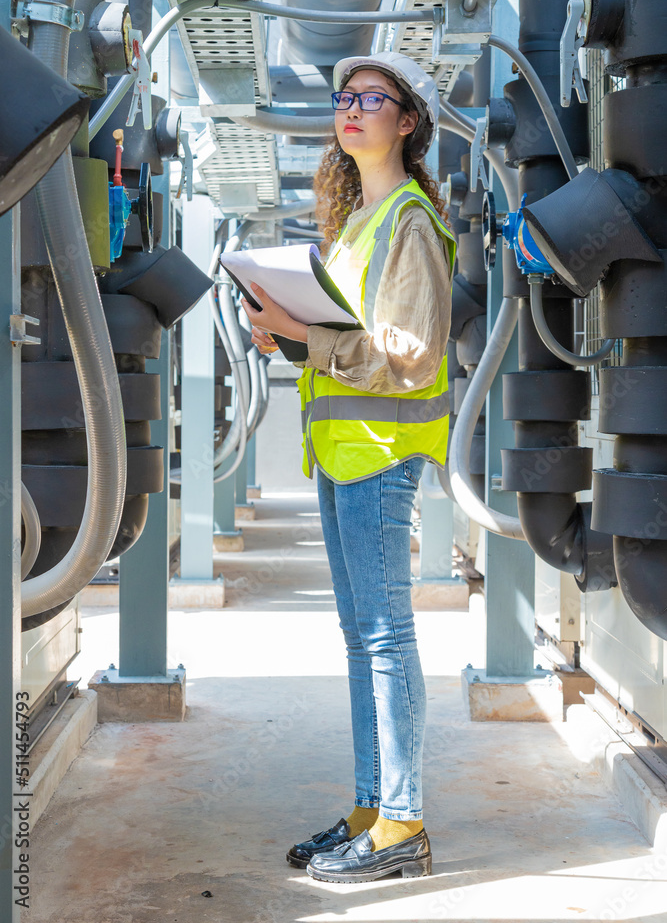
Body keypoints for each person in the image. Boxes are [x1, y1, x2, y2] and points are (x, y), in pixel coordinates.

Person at [241, 51, 455, 884]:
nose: (352, 109)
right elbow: (345, 343)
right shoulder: (358, 225)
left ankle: (402, 824)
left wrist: (309, 340)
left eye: (375, 100)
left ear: (407, 124)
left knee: (383, 638)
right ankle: (372, 809)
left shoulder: (407, 219)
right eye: (345, 98)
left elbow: (410, 354)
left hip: (380, 451)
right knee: (361, 640)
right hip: (340, 448)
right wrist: (288, 331)